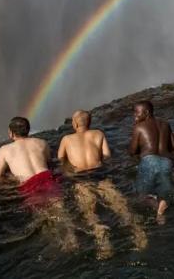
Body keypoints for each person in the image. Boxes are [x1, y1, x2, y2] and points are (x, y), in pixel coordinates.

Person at [59, 110, 146, 258]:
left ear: (74, 124)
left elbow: (61, 159)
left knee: (90, 213)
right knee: (120, 205)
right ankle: (139, 233)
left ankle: (103, 239)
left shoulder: (66, 139)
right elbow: (107, 155)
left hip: (80, 178)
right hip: (100, 173)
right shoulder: (98, 134)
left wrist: (68, 172)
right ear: (90, 122)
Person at [0, 116, 78, 251]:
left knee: (43, 216)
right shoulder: (41, 142)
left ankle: (57, 246)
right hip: (47, 177)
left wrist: (10, 181)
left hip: (29, 184)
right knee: (61, 210)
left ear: (11, 133)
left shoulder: (4, 150)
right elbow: (49, 163)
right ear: (28, 130)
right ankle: (72, 238)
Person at [129, 100, 174, 222]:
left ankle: (156, 204)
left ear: (147, 112)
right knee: (164, 193)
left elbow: (132, 151)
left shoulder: (139, 127)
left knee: (141, 196)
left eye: (136, 113)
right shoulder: (166, 124)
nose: (135, 116)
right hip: (167, 162)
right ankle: (161, 208)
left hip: (149, 161)